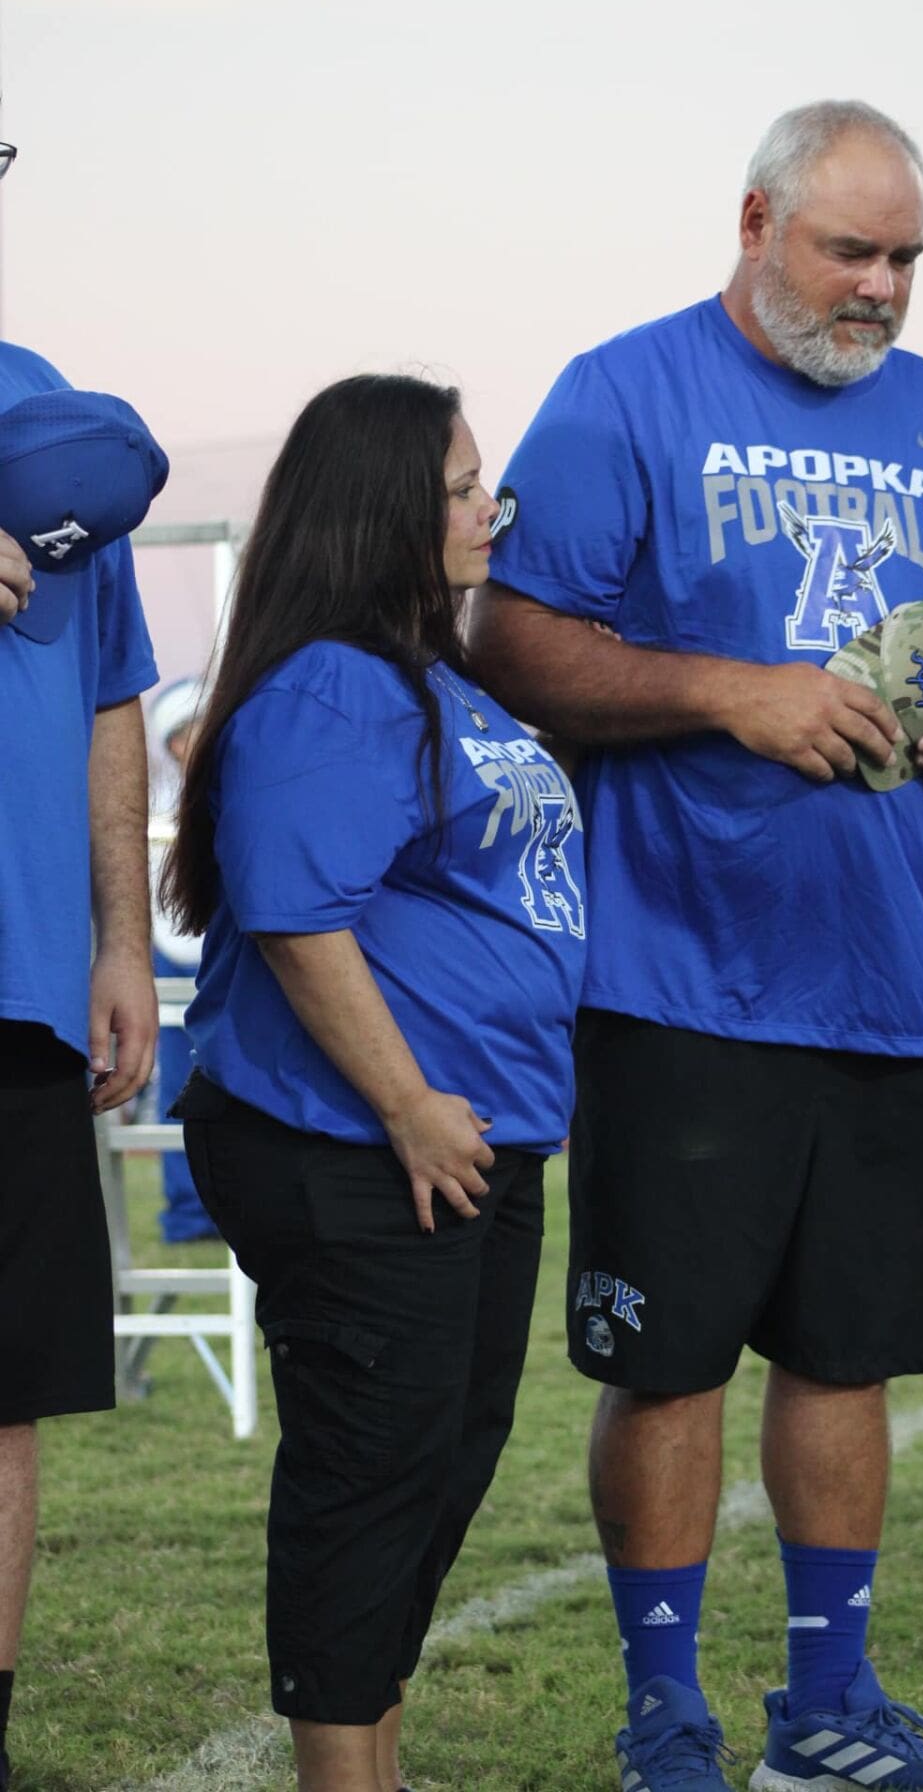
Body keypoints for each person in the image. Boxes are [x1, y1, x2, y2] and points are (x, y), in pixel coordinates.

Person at [470, 100, 923, 1792]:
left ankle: (829, 1710)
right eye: (848, 250)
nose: (879, 289)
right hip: (682, 969)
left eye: (905, 259)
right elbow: (510, 636)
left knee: (848, 1344)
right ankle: (667, 1715)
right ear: (753, 222)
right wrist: (730, 690)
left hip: (896, 969)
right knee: (670, 1359)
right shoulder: (621, 390)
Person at [161, 374, 586, 1792]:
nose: (488, 513)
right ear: (383, 507)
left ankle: (377, 1770)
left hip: (466, 1135)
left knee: (444, 1462)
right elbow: (294, 911)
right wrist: (407, 1101)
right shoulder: (337, 681)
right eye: (463, 490)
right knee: (372, 1475)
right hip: (357, 1138)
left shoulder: (432, 679)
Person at [0, 147, 163, 1790]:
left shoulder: (49, 413)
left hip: (23, 980)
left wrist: (120, 937)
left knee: (4, 1395)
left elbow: (111, 694)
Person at [147, 677, 219, 1241]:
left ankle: (226, 1205)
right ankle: (188, 1211)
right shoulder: (155, 807)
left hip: (224, 959)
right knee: (177, 1086)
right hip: (172, 960)